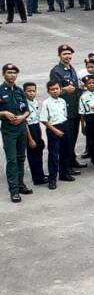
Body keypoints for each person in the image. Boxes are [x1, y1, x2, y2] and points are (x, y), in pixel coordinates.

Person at [0, 64, 32, 202]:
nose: (12, 75)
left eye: (14, 73)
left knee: (21, 158)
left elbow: (27, 110)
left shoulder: (19, 91)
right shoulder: (0, 91)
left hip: (21, 128)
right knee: (12, 160)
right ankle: (13, 190)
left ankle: (20, 184)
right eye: (9, 72)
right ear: (3, 74)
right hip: (9, 130)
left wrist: (22, 117)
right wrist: (4, 113)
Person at [39, 80, 76, 187]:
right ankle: (52, 179)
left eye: (57, 89)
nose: (55, 91)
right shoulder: (46, 103)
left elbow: (64, 115)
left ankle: (64, 174)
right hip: (53, 128)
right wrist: (55, 130)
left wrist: (64, 128)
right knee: (54, 155)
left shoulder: (62, 101)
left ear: (60, 89)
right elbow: (44, 120)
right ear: (48, 91)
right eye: (52, 89)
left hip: (64, 126)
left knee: (66, 152)